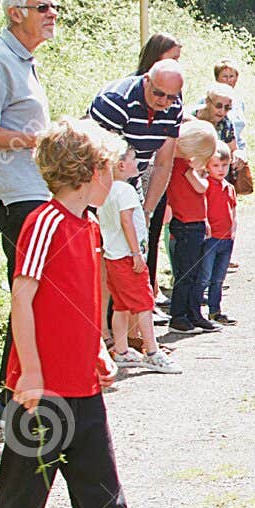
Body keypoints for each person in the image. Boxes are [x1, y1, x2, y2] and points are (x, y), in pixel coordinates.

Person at [0, 117, 178, 508]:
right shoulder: (44, 222)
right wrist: (28, 374)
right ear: (91, 171)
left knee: (102, 488)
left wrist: (96, 345)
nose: (116, 176)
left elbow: (79, 299)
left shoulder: (89, 225)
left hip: (83, 387)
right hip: (42, 393)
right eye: (112, 168)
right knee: (20, 498)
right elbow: (22, 299)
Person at [0, 0, 58, 431]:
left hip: (32, 187)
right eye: (43, 7)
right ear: (16, 13)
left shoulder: (24, 61)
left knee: (39, 289)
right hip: (12, 192)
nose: (53, 14)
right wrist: (38, 140)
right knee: (30, 290)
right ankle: (8, 401)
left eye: (54, 7)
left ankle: (21, 393)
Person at [87, 58, 185, 288]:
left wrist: (147, 211)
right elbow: (99, 159)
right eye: (159, 94)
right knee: (104, 253)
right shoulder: (115, 102)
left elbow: (163, 163)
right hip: (98, 182)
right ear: (146, 80)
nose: (165, 102)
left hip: (131, 179)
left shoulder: (173, 106)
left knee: (133, 254)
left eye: (172, 97)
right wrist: (113, 211)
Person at [96, 145, 178, 372]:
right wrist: (136, 253)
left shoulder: (106, 190)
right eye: (134, 160)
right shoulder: (126, 191)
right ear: (122, 165)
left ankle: (121, 350)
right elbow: (126, 221)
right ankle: (152, 350)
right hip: (127, 257)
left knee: (121, 306)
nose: (139, 164)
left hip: (112, 256)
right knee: (144, 304)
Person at [165, 119, 218, 334]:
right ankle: (179, 316)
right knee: (187, 275)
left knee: (193, 274)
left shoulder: (178, 165)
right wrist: (202, 175)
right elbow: (201, 188)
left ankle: (192, 313)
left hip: (194, 224)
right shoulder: (181, 167)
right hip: (186, 226)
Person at [200, 142, 237, 325]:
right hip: (211, 238)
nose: (221, 169)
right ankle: (195, 311)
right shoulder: (206, 185)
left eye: (224, 165)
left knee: (219, 278)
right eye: (216, 165)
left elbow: (233, 210)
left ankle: (215, 311)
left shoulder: (229, 187)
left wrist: (233, 232)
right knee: (204, 277)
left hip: (226, 238)